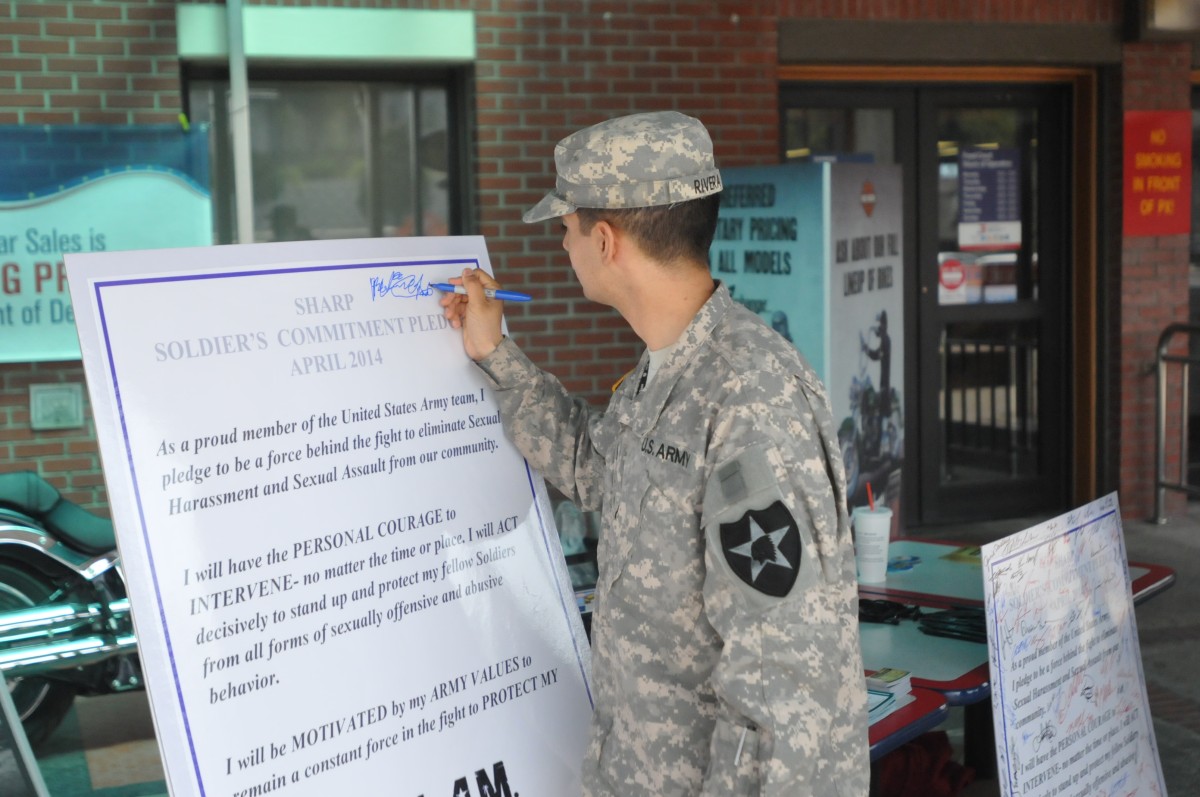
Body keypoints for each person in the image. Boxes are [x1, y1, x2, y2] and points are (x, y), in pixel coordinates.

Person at [440, 111, 868, 796]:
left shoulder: (749, 399)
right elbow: (595, 463)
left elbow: (784, 695)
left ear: (605, 240)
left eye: (565, 227)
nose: (563, 244)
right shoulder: (665, 373)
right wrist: (496, 353)